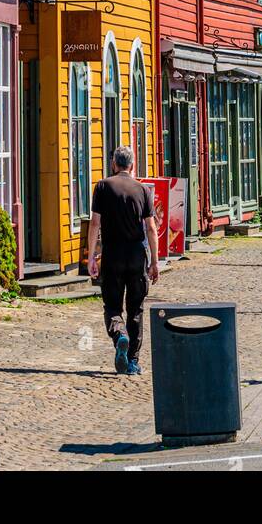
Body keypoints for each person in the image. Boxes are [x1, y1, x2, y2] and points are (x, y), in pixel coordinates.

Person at [87, 145, 159, 377]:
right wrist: (155, 262)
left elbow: (95, 223)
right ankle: (133, 362)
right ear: (132, 165)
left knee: (112, 306)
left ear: (114, 164)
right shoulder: (142, 190)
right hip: (137, 255)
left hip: (113, 254)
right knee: (136, 309)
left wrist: (92, 256)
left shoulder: (103, 186)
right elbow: (151, 228)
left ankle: (121, 336)